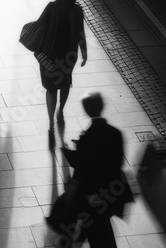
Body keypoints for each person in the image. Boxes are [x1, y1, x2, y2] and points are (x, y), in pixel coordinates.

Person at [61, 92, 130, 248]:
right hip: (112, 189)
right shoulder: (116, 133)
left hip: (92, 192)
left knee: (97, 229)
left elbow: (79, 163)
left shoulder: (88, 137)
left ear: (86, 111)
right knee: (101, 224)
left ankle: (82, 237)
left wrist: (66, 150)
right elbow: (118, 161)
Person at [34, 0, 88, 145]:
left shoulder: (52, 7)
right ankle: (60, 112)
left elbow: (40, 26)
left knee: (51, 88)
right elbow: (80, 33)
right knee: (64, 84)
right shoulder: (77, 10)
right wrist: (84, 53)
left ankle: (51, 122)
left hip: (49, 55)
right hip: (68, 56)